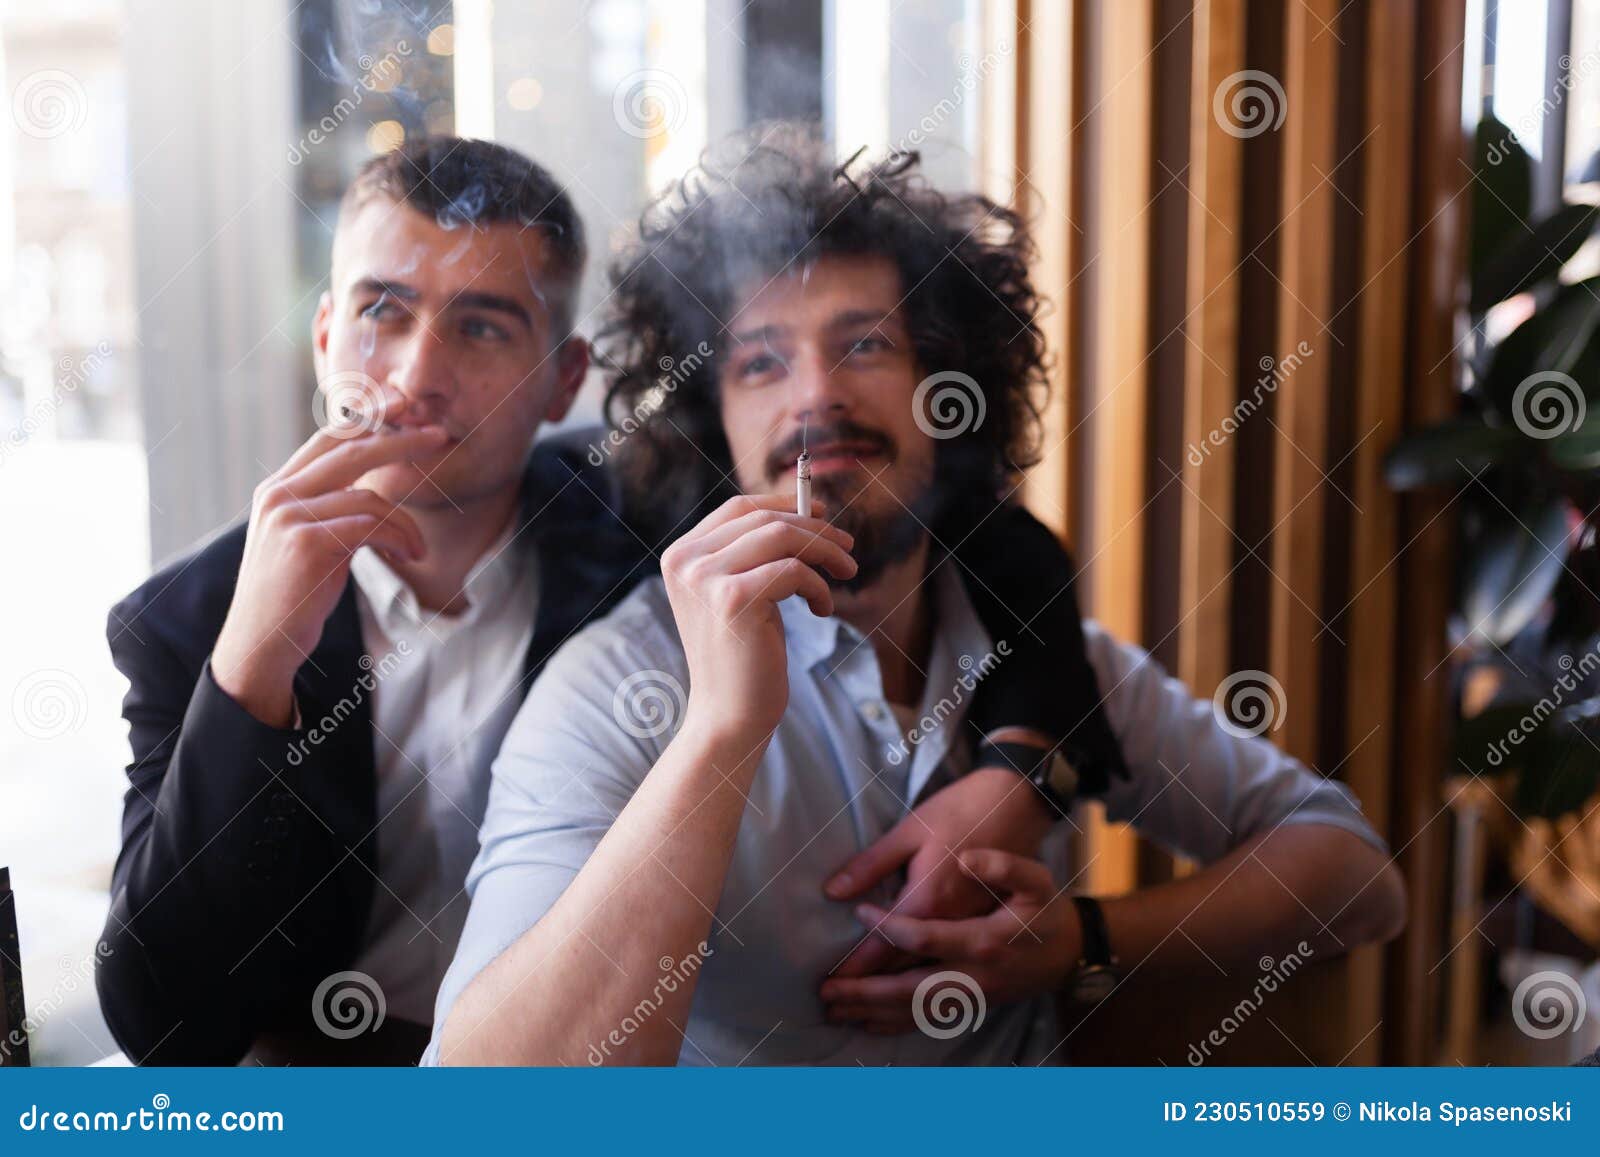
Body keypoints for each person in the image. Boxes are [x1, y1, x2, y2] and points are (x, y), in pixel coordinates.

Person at [97, 135, 1125, 1066]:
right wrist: (254, 666)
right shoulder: (187, 620)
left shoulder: (628, 509)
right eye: (381, 310)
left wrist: (1023, 762)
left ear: (561, 377)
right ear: (325, 335)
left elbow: (961, 526)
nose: (416, 372)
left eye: (482, 326)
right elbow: (164, 1023)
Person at [426, 126, 1408, 1067]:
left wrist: (1085, 936)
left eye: (864, 346)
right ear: (712, 425)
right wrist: (722, 731)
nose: (815, 394)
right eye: (761, 361)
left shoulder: (1037, 651)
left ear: (950, 392)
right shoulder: (619, 687)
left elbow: (1358, 878)